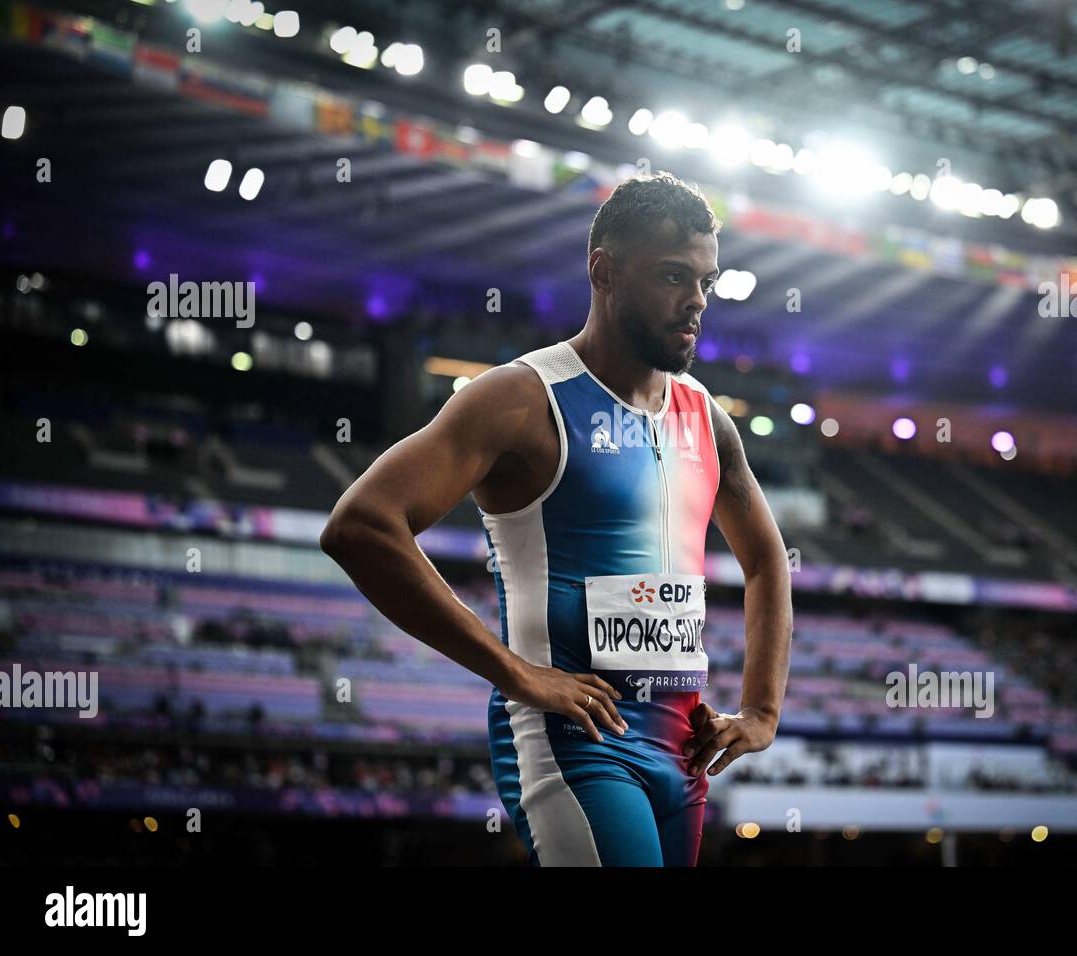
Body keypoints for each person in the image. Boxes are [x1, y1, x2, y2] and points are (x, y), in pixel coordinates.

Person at [321, 171, 793, 866]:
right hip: (577, 742)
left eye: (706, 282)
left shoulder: (709, 422)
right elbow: (361, 526)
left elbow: (767, 563)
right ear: (603, 271)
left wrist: (761, 709)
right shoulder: (522, 398)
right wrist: (513, 671)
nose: (696, 302)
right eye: (672, 277)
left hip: (682, 751)